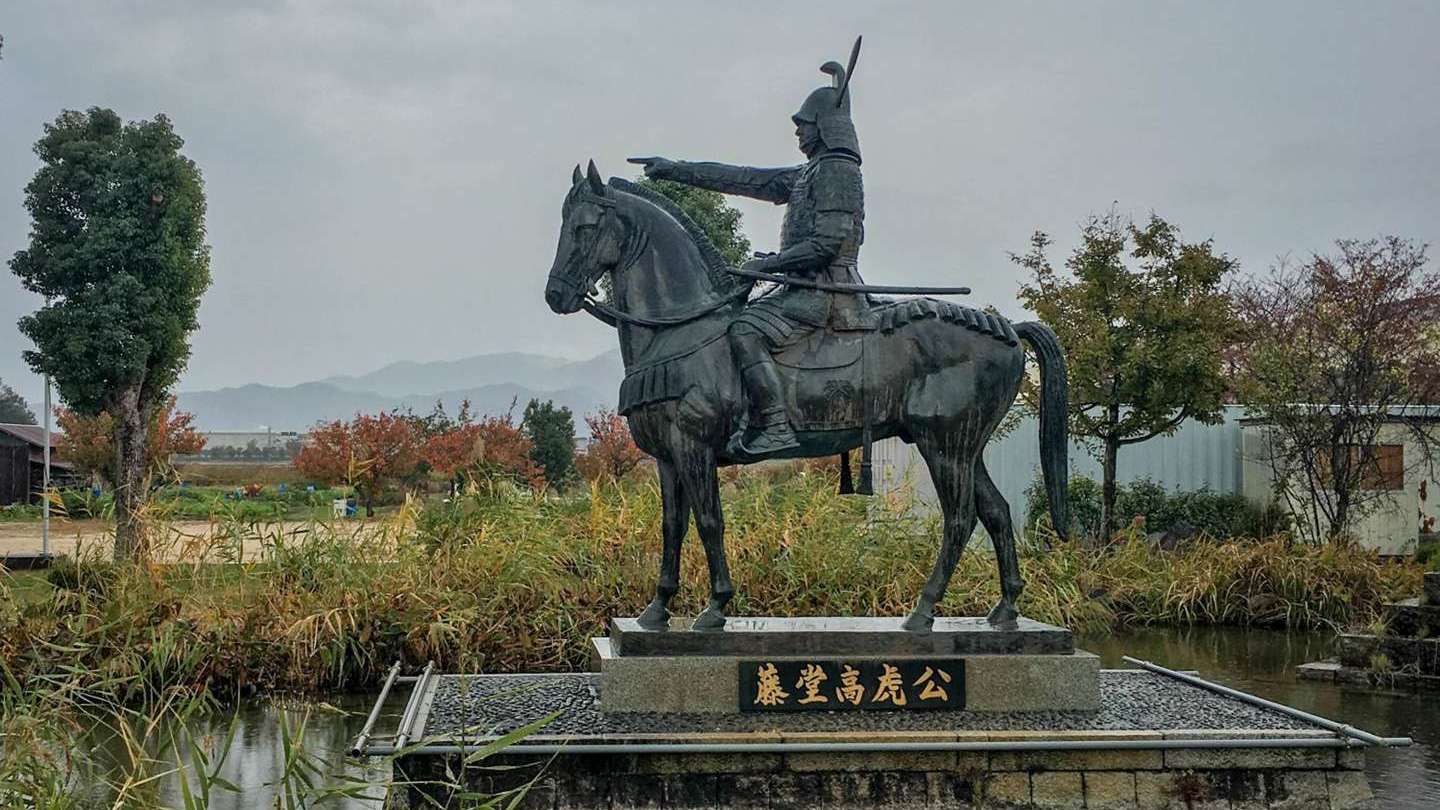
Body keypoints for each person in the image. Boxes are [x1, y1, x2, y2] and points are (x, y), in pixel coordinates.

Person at [630, 57, 870, 456]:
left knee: (744, 330)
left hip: (826, 293)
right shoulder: (808, 173)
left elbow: (829, 243)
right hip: (801, 287)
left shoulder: (838, 171)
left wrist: (770, 263)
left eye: (804, 123)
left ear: (826, 126)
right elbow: (743, 177)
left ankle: (775, 424)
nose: (798, 130)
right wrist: (676, 170)